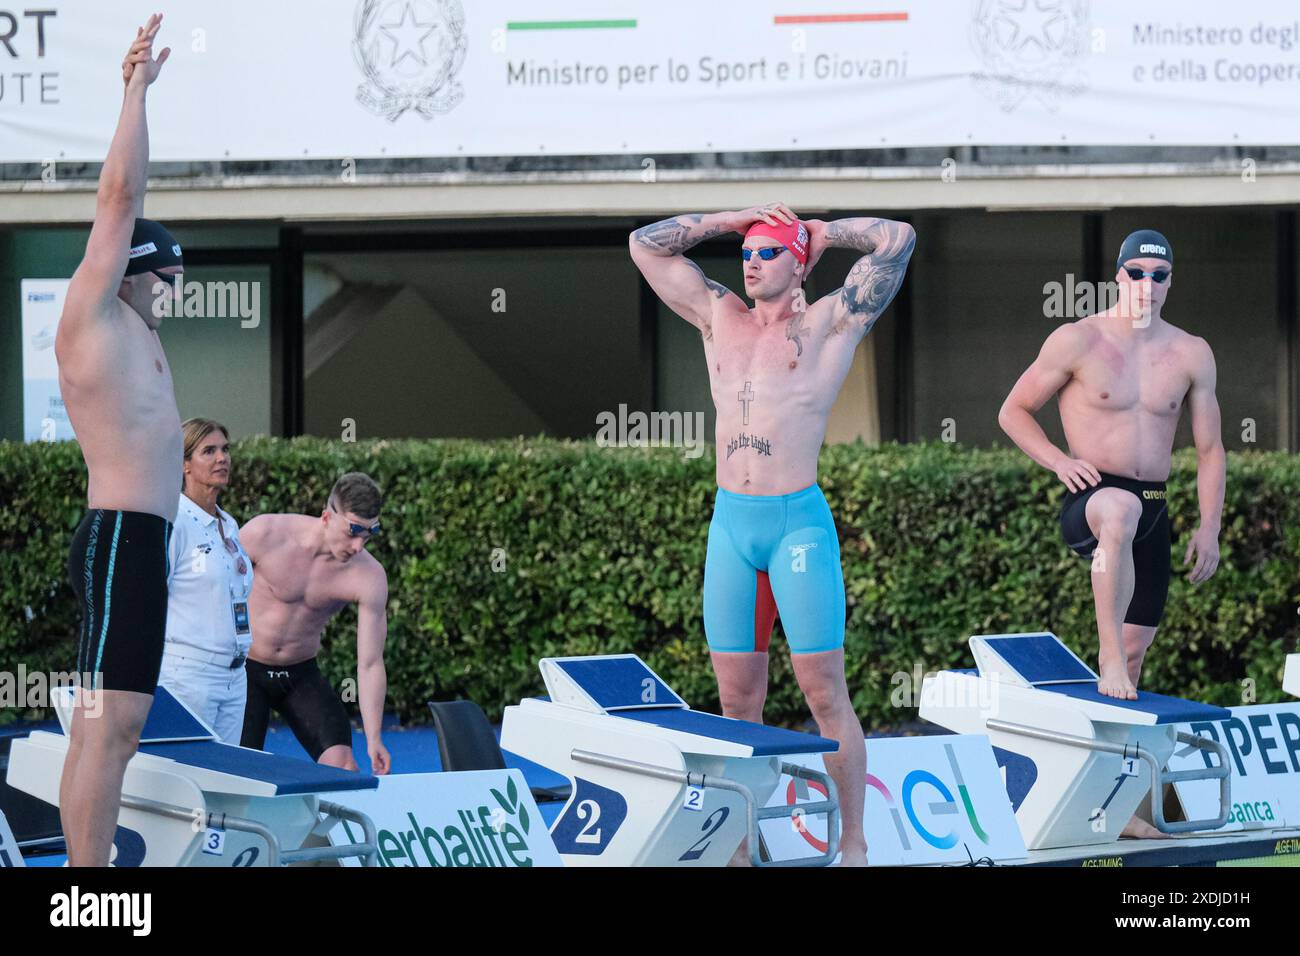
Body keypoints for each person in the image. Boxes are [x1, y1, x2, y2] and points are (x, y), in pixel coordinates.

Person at [629, 202, 916, 865]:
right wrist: (732, 220)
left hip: (796, 525)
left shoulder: (831, 322)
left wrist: (825, 233)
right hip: (732, 524)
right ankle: (741, 842)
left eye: (766, 253)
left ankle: (852, 844)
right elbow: (645, 246)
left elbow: (899, 241)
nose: (751, 263)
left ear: (797, 262)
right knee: (736, 701)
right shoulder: (718, 315)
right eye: (747, 254)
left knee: (822, 691)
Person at [998, 230, 1224, 834]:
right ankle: (1103, 653)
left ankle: (1121, 806)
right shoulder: (1079, 339)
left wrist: (1209, 526)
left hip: (1155, 506)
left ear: (1170, 282)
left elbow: (1209, 449)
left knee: (1136, 654)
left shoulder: (1191, 353)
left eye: (1159, 274)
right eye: (1136, 273)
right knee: (1118, 512)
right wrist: (1057, 461)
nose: (1147, 285)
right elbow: (1013, 410)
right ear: (1117, 277)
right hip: (1092, 499)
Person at [55, 14, 180, 866]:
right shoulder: (95, 313)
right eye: (169, 279)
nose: (176, 296)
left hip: (143, 542)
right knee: (109, 729)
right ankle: (88, 891)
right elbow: (118, 198)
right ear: (132, 268)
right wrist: (134, 94)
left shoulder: (137, 328)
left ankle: (86, 882)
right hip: (119, 539)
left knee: (118, 727)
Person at [238, 473, 392, 774]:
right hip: (244, 671)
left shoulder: (368, 576)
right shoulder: (265, 534)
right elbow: (213, 595)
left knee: (344, 769)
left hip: (299, 674)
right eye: (353, 531)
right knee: (238, 773)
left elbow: (370, 663)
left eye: (370, 533)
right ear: (326, 517)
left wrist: (374, 738)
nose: (359, 545)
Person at [158, 419, 254, 743]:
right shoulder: (174, 521)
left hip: (235, 676)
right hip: (188, 676)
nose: (222, 458)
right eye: (209, 451)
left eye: (225, 450)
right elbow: (150, 599)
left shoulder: (229, 523)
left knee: (226, 781)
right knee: (187, 779)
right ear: (184, 464)